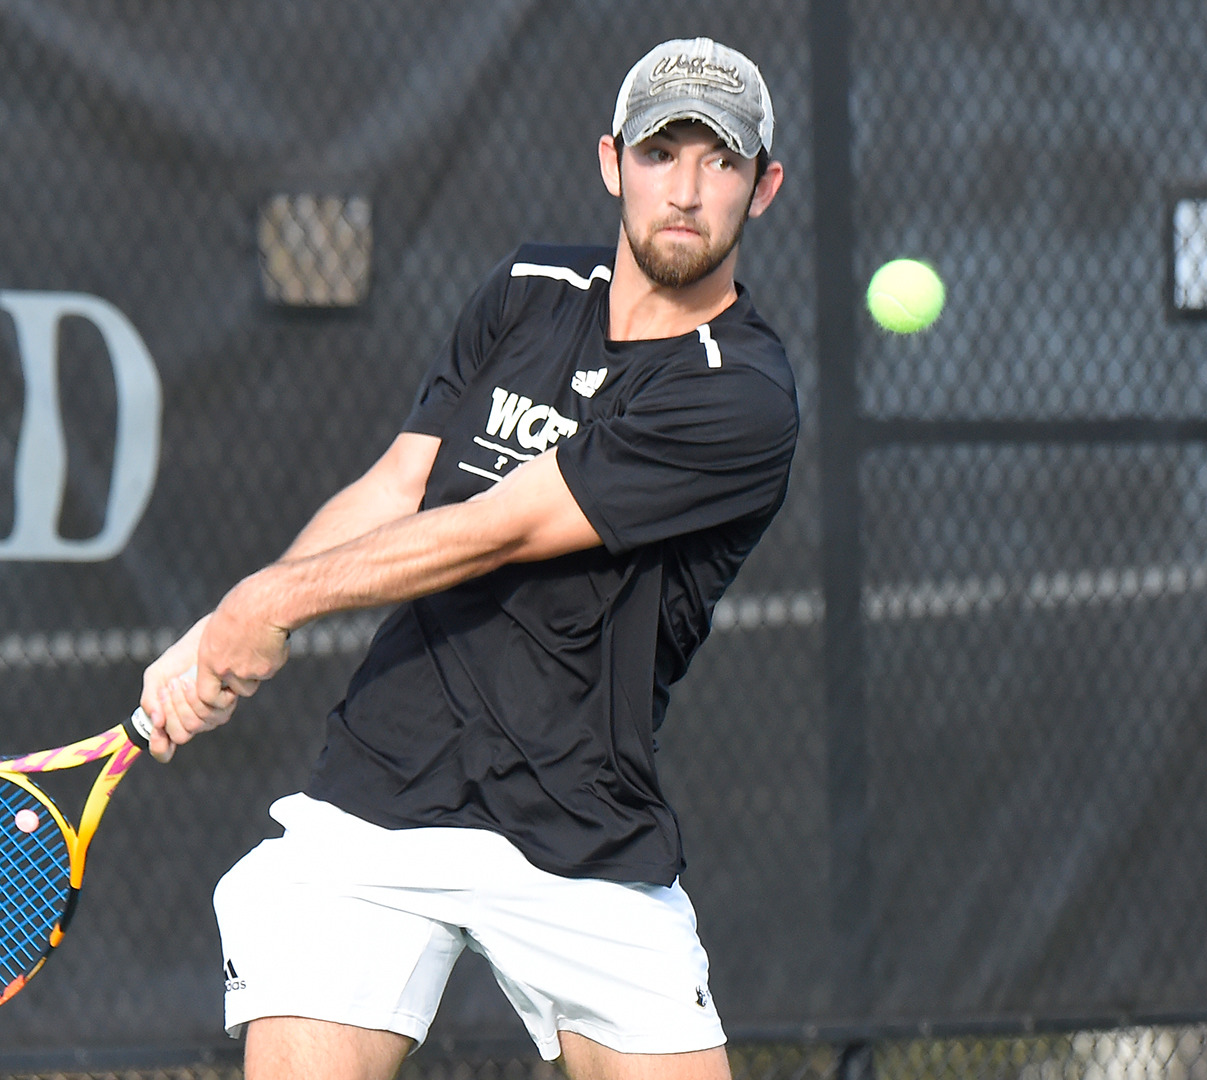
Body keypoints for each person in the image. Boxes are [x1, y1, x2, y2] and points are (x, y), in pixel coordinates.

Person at [139, 37, 797, 1080]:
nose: (685, 189)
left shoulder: (741, 394)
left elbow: (501, 526)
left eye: (719, 160)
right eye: (659, 152)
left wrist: (269, 601)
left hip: (580, 825)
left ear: (762, 188)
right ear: (611, 162)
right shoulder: (528, 290)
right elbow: (398, 486)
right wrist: (226, 626)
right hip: (385, 787)